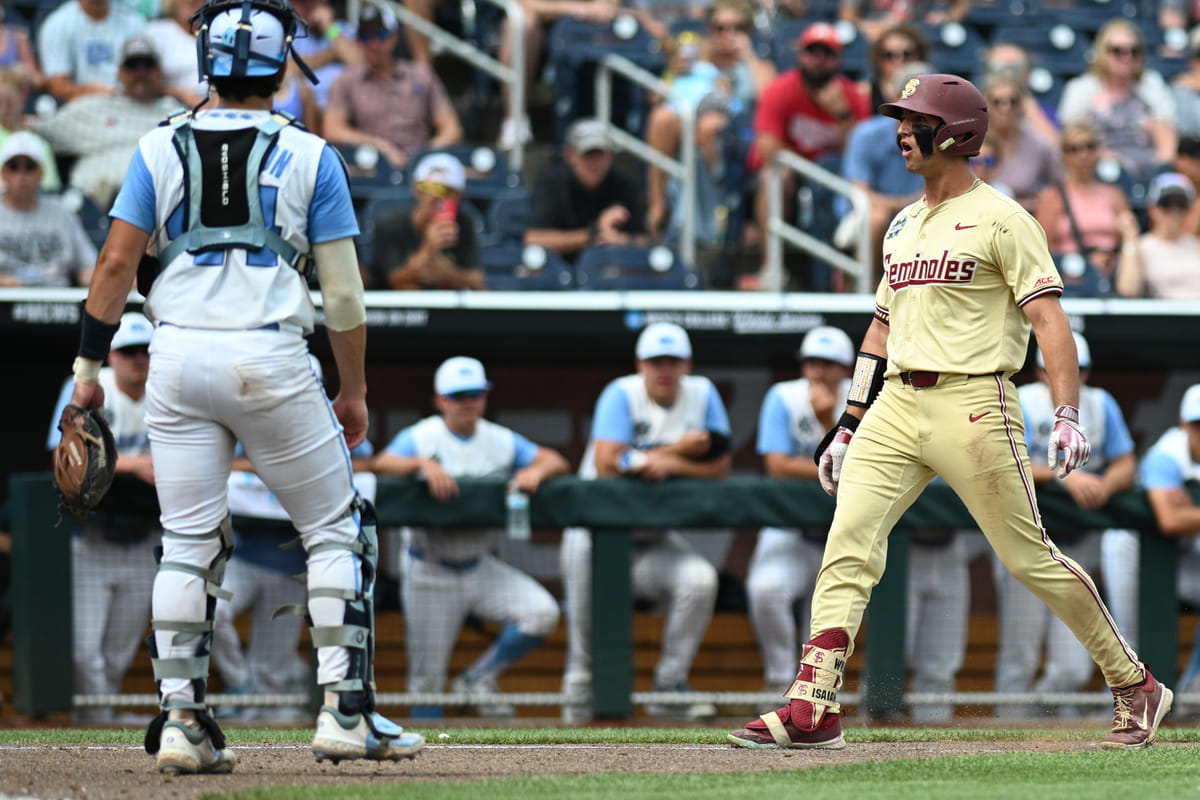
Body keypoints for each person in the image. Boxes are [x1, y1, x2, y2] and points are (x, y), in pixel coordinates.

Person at [727, 73, 1171, 752]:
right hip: (897, 401)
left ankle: (1132, 681)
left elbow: (1050, 322)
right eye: (901, 118)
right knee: (848, 541)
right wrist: (848, 421)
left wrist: (1067, 411)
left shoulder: (1005, 217)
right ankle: (813, 704)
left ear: (957, 132)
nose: (902, 130)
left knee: (1028, 557)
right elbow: (879, 329)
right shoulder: (902, 221)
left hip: (976, 399)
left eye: (916, 119)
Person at [63, 0, 423, 772]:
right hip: (269, 358)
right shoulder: (311, 153)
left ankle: (182, 722)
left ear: (207, 65)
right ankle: (344, 713)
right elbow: (345, 297)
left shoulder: (158, 145)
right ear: (282, 64)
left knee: (188, 542)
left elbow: (114, 269)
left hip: (177, 357)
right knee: (336, 531)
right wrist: (352, 389)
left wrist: (87, 373)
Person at [372, 356, 567, 718]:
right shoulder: (422, 436)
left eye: (475, 394)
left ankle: (477, 679)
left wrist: (536, 471)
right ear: (440, 400)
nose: (468, 402)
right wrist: (420, 464)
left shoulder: (498, 438)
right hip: (429, 568)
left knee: (541, 612)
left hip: (480, 565)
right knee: (427, 684)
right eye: (458, 395)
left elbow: (554, 459)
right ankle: (433, 764)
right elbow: (381, 463)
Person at [561, 322, 729, 723]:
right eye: (656, 362)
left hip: (653, 541)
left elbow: (720, 466)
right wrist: (678, 450)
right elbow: (607, 464)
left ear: (686, 364)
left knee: (700, 580)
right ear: (641, 364)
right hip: (594, 539)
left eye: (672, 361)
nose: (664, 371)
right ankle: (573, 728)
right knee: (585, 645)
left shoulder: (703, 394)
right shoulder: (622, 393)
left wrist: (665, 462)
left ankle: (669, 685)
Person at [211, 372, 377, 724]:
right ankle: (241, 687)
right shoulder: (250, 420)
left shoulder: (333, 424)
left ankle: (267, 732)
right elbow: (220, 461)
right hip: (245, 556)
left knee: (271, 671)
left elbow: (367, 463)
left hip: (292, 567)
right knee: (209, 609)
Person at [993, 333, 1137, 719]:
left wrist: (1106, 483)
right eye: (1061, 368)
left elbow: (1125, 462)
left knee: (1074, 666)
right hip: (1026, 539)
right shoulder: (1022, 399)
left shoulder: (1100, 402)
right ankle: (1002, 735)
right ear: (1042, 370)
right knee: (1020, 652)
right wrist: (1064, 477)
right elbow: (1005, 460)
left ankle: (1035, 725)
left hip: (1078, 544)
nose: (1074, 376)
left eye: (1081, 369)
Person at [47, 312, 159, 724]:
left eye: (145, 351)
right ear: (111, 356)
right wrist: (130, 466)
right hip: (92, 539)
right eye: (129, 352)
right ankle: (95, 722)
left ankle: (102, 722)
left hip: (144, 540)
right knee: (83, 650)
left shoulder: (168, 391)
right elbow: (59, 459)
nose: (138, 360)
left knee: (118, 649)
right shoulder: (90, 390)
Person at [746, 325, 854, 697]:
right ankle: (780, 679)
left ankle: (833, 693)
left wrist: (828, 424)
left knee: (844, 613)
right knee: (765, 589)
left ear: (846, 368)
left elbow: (862, 470)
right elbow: (776, 465)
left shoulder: (863, 400)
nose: (817, 372)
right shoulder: (784, 396)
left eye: (827, 364)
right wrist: (831, 468)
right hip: (789, 531)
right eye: (811, 362)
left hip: (839, 535)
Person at [741, 22, 872, 291]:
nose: (818, 60)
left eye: (827, 53)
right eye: (812, 51)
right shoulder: (780, 90)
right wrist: (812, 166)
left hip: (835, 179)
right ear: (801, 54)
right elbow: (768, 150)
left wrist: (843, 114)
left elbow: (861, 154)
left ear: (838, 59)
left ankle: (857, 279)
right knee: (774, 177)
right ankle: (771, 268)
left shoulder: (851, 97)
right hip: (796, 174)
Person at [643, 0, 776, 238]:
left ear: (749, 32)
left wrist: (748, 57)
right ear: (710, 30)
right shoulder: (692, 62)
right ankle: (657, 208)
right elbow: (655, 98)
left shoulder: (758, 65)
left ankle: (729, 209)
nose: (729, 34)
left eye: (738, 28)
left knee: (710, 125)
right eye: (721, 28)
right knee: (662, 118)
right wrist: (672, 73)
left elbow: (769, 99)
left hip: (740, 138)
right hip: (689, 131)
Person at [30, 34, 184, 210]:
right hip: (92, 204)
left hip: (156, 206)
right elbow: (41, 130)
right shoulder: (95, 105)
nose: (140, 73)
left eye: (147, 65)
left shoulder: (173, 112)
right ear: (120, 71)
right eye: (132, 66)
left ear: (159, 70)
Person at [1125, 384, 1200, 696]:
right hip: (1134, 552)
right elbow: (1169, 521)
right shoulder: (1167, 454)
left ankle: (1192, 692)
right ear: (1184, 424)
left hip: (1186, 555)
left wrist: (1192, 513)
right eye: (1199, 424)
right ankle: (1122, 709)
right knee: (1128, 640)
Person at [323, 2, 462, 170]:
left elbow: (452, 129)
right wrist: (379, 147)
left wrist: (422, 156)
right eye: (366, 37)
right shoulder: (347, 80)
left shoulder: (421, 75)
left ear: (394, 36)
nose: (374, 44)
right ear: (358, 41)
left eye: (380, 35)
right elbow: (332, 129)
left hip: (420, 166)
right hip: (370, 165)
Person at [838, 59, 927, 286]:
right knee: (876, 217)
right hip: (866, 211)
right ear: (896, 97)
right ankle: (867, 290)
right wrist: (906, 204)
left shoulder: (940, 136)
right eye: (908, 97)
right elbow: (859, 194)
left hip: (921, 209)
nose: (916, 106)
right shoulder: (866, 134)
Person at [1058, 18, 1177, 184]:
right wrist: (1101, 157)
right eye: (1117, 50)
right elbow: (1075, 140)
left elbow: (1167, 147)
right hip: (1099, 171)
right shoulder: (1081, 89)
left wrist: (1156, 174)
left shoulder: (1152, 85)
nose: (1126, 56)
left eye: (1133, 51)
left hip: (1148, 170)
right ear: (1102, 53)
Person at [1033, 121, 1140, 296]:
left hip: (1111, 274)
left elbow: (1126, 239)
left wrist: (1110, 260)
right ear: (1064, 156)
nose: (1083, 155)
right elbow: (1044, 249)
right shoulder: (1052, 197)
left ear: (1098, 151)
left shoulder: (1114, 194)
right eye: (1074, 149)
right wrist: (1087, 264)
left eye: (1089, 147)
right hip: (1071, 278)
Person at [524, 117, 649, 262]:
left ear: (610, 156)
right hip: (560, 273)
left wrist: (623, 241)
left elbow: (646, 240)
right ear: (570, 154)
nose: (594, 163)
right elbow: (533, 238)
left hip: (612, 273)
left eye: (600, 155)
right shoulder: (551, 182)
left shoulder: (624, 184)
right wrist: (594, 232)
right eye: (588, 154)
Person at [366, 152, 485, 290]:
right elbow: (393, 280)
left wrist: (448, 274)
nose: (434, 195)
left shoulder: (463, 222)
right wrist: (429, 249)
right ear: (415, 188)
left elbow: (478, 283)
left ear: (459, 195)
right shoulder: (389, 224)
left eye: (444, 190)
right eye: (426, 187)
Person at [0, 131, 97, 286]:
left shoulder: (61, 212)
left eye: (30, 167)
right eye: (14, 167)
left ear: (41, 173)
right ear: (3, 173)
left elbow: (87, 268)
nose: (22, 174)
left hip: (58, 304)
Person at [974, 73, 1061, 212]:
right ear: (986, 105)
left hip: (1028, 216)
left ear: (1022, 105)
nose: (1005, 108)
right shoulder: (972, 141)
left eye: (1012, 101)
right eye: (997, 102)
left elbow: (1061, 183)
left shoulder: (1038, 143)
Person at [36, 0, 147, 103]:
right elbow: (57, 84)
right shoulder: (57, 24)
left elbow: (148, 72)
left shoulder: (134, 22)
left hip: (128, 103)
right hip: (78, 108)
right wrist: (96, 93)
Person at [1115, 171, 1200, 300]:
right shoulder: (1141, 246)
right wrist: (1130, 238)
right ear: (1152, 208)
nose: (1174, 211)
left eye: (1180, 204)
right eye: (1166, 203)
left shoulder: (1196, 244)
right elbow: (1127, 290)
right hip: (1165, 317)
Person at [144, 0, 211, 107]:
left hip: (215, 111)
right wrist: (183, 95)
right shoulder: (156, 32)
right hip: (170, 109)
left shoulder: (219, 33)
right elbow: (141, 82)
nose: (191, 1)